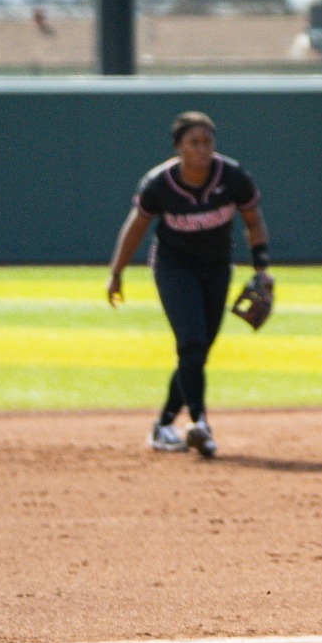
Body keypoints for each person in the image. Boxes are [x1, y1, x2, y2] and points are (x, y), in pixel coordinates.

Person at [105, 111, 270, 459]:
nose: (202, 149)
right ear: (178, 147)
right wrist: (116, 272)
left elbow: (253, 221)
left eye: (208, 142)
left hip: (216, 268)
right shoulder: (159, 184)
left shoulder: (233, 177)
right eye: (193, 142)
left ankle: (164, 425)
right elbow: (136, 226)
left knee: (198, 351)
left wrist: (262, 269)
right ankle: (200, 423)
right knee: (191, 342)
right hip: (174, 267)